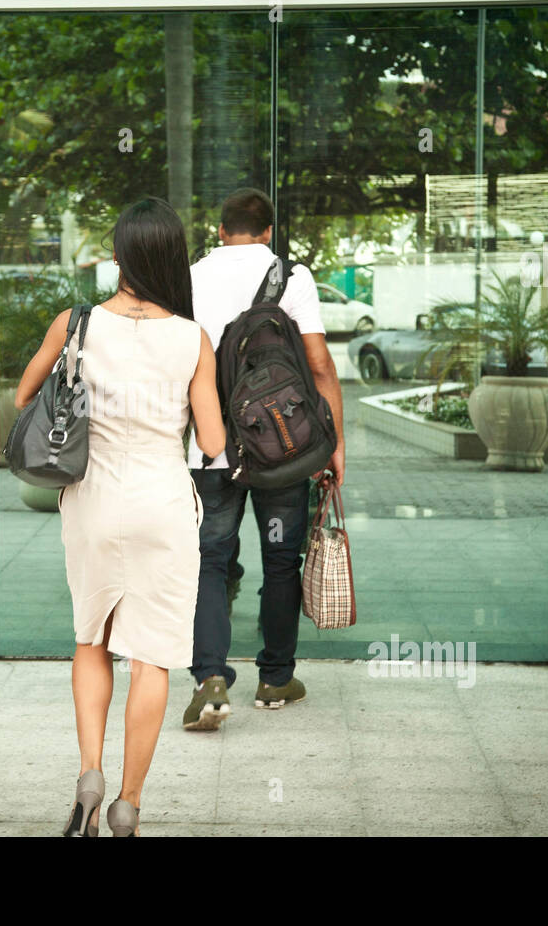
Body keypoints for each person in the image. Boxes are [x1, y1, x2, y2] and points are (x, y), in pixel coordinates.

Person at [15, 196, 225, 836]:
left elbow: (25, 397)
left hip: (92, 500)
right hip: (162, 502)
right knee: (154, 659)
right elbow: (212, 443)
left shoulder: (74, 324)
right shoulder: (192, 338)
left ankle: (89, 774)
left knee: (92, 639)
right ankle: (128, 805)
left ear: (118, 256)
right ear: (172, 258)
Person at [183, 187, 345, 730]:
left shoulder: (189, 276)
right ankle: (275, 679)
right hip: (282, 447)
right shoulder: (291, 277)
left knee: (209, 559)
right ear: (269, 231)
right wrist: (334, 442)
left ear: (220, 230)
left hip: (211, 448)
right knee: (281, 560)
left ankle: (209, 678)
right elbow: (319, 365)